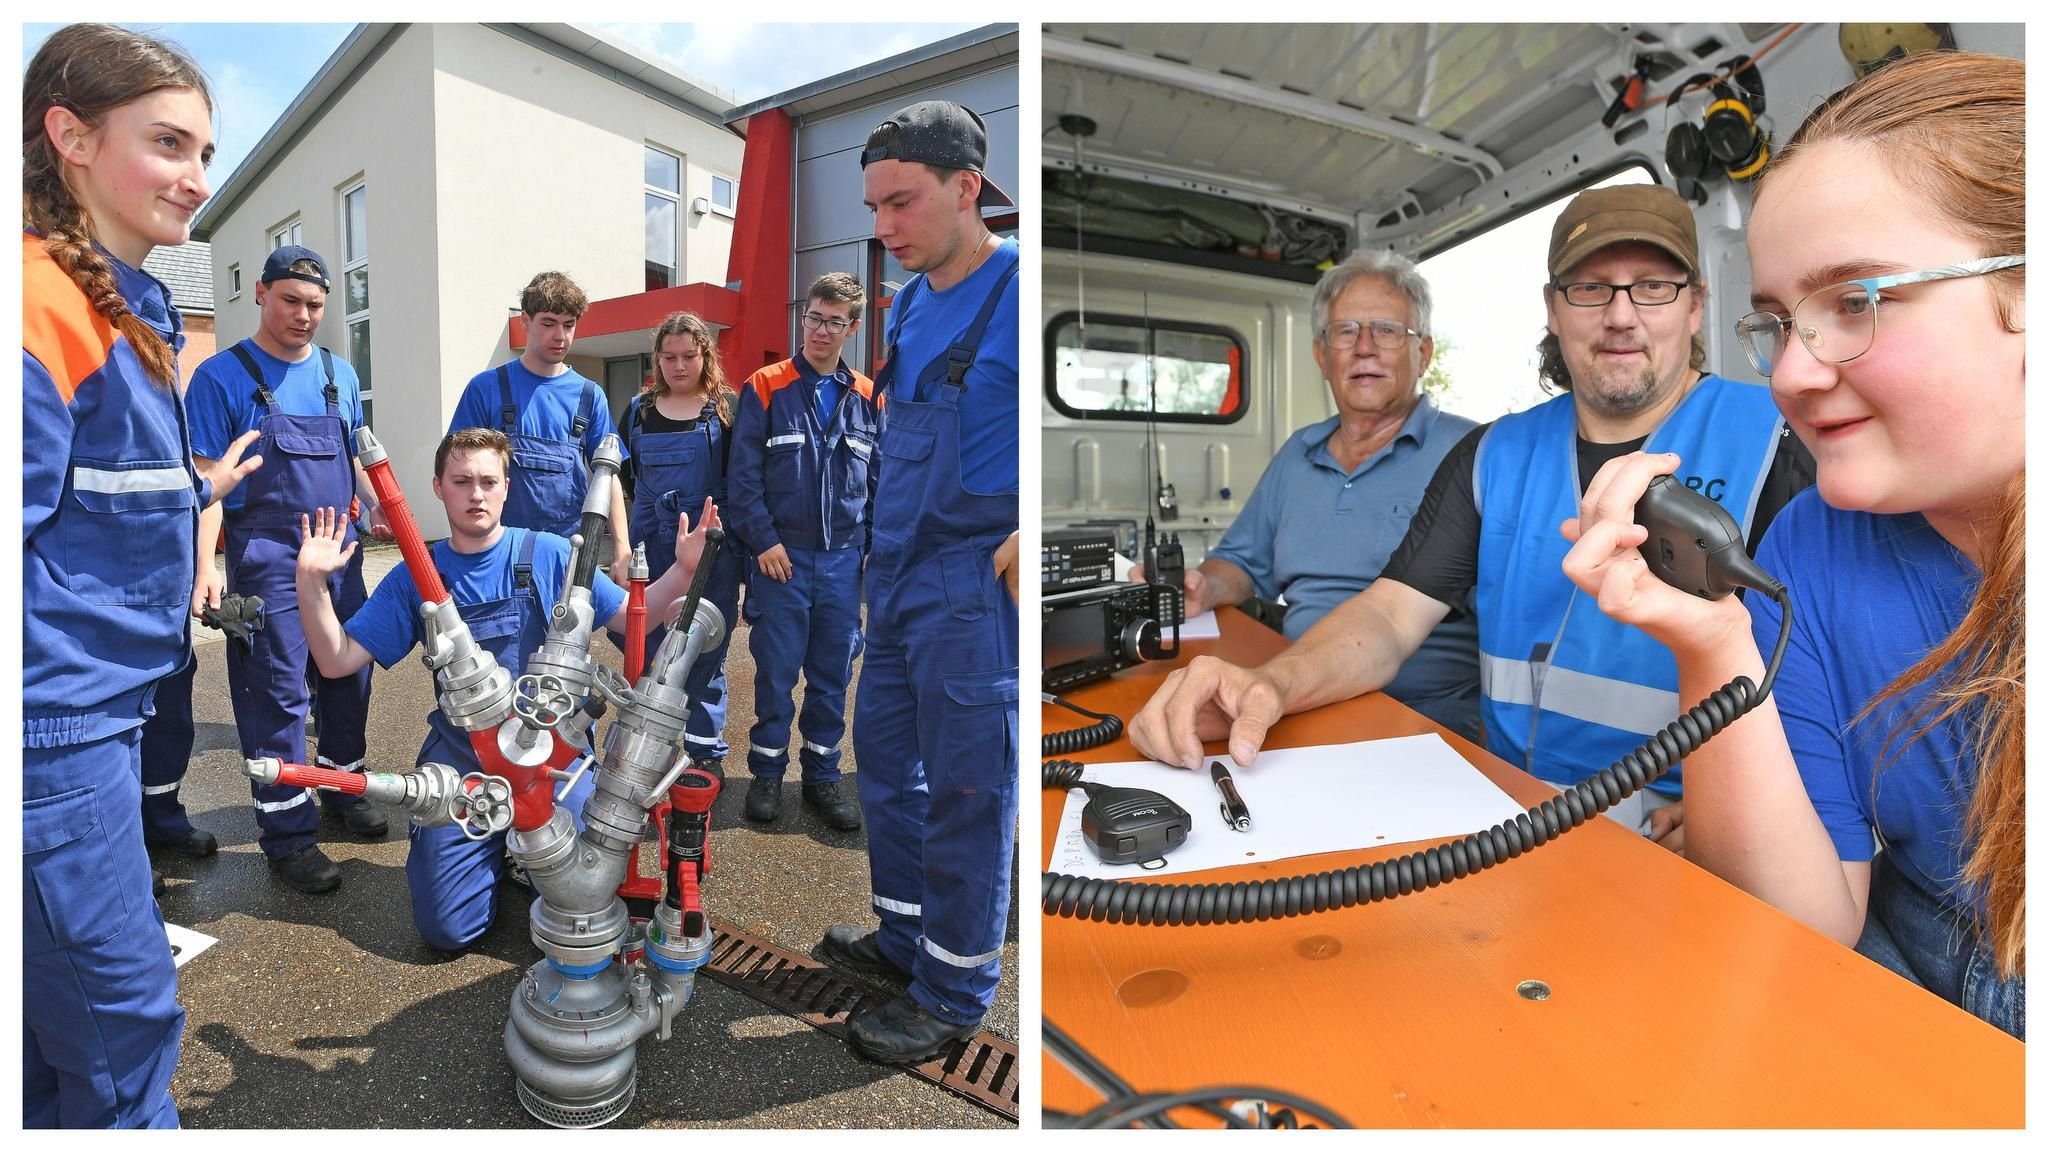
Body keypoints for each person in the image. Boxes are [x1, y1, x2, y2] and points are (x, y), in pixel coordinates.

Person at [1560, 51, 2024, 1038]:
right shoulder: (1807, 543)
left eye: (1853, 302)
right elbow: (1804, 926)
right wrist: (1712, 646)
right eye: (1774, 323)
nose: (1790, 375)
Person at [1129, 182, 1813, 839]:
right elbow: (1389, 616)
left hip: (1684, 824)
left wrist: (1736, 805)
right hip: (1505, 810)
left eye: (1654, 287)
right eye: (1590, 288)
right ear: (1553, 308)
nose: (1621, 315)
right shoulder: (1492, 454)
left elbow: (1828, 670)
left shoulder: (1776, 440)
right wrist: (1268, 685)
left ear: (1695, 306)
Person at [22, 23, 261, 1127]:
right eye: (168, 144)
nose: (197, 179)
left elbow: (89, 499)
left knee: (51, 1046)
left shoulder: (131, 302)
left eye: (205, 153)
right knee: (122, 1038)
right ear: (70, 135)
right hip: (53, 738)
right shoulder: (40, 308)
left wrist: (191, 490)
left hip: (96, 726)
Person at [296, 428, 718, 951]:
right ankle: (490, 849)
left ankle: (521, 845)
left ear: (505, 487)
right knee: (448, 932)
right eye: (462, 481)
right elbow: (336, 662)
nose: (476, 493)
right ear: (438, 487)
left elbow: (638, 616)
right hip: (464, 758)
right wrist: (310, 583)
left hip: (557, 755)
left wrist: (683, 569)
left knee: (594, 883)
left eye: (487, 481)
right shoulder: (415, 577)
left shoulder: (550, 555)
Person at [814, 100, 1019, 1064]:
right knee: (888, 767)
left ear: (966, 188)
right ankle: (905, 937)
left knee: (971, 789)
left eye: (901, 204)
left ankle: (956, 988)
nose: (884, 229)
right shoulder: (906, 303)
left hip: (971, 588)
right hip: (891, 577)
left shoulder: (1024, 288)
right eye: (873, 208)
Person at [1131, 249, 1482, 740]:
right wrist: (1203, 587)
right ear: (1322, 355)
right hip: (1298, 695)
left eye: (1385, 330)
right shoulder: (1299, 452)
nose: (1364, 348)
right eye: (1345, 331)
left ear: (1422, 353)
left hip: (1426, 716)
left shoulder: (1476, 452)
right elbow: (1242, 561)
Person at [184, 244, 390, 894]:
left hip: (343, 553)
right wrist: (204, 568)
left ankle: (342, 788)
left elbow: (358, 453)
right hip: (268, 557)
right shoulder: (220, 378)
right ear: (262, 294)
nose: (303, 315)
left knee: (348, 678)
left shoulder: (340, 372)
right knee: (276, 694)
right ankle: (288, 838)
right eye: (291, 301)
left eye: (315, 305)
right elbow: (209, 480)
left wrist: (384, 505)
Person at [726, 273, 878, 830]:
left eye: (834, 321)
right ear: (804, 317)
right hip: (781, 562)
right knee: (774, 676)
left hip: (842, 563)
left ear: (852, 328)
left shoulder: (866, 395)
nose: (820, 329)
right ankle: (766, 775)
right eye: (814, 317)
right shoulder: (765, 387)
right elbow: (741, 480)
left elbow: (879, 484)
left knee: (832, 676)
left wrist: (870, 549)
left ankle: (822, 778)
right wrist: (764, 540)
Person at [448, 271, 631, 586]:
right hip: (497, 555)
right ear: (525, 322)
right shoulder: (486, 389)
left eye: (569, 325)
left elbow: (608, 477)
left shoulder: (590, 396)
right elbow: (458, 473)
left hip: (567, 556)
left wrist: (622, 548)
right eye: (548, 323)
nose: (560, 335)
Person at [619, 311, 742, 775]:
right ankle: (658, 749)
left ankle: (704, 755)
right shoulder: (638, 410)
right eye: (668, 357)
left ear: (705, 356)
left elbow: (744, 481)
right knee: (649, 646)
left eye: (689, 356)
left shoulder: (728, 409)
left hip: (712, 548)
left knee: (705, 650)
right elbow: (627, 482)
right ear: (658, 359)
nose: (678, 366)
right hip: (650, 543)